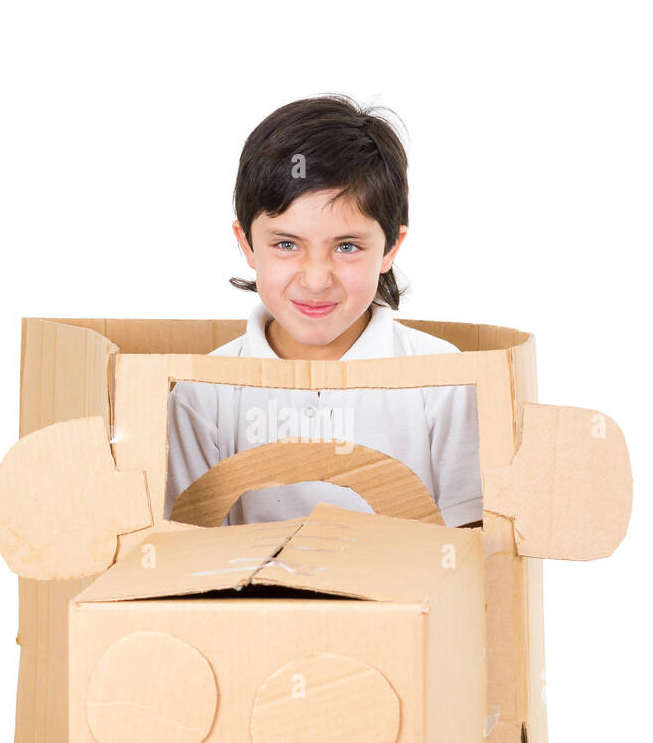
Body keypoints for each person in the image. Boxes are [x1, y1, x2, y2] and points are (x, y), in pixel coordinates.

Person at [163, 95, 482, 528]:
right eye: (286, 244)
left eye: (347, 247)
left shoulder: (444, 381)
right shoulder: (202, 392)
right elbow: (187, 558)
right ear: (246, 245)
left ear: (390, 248)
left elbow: (471, 550)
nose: (316, 279)